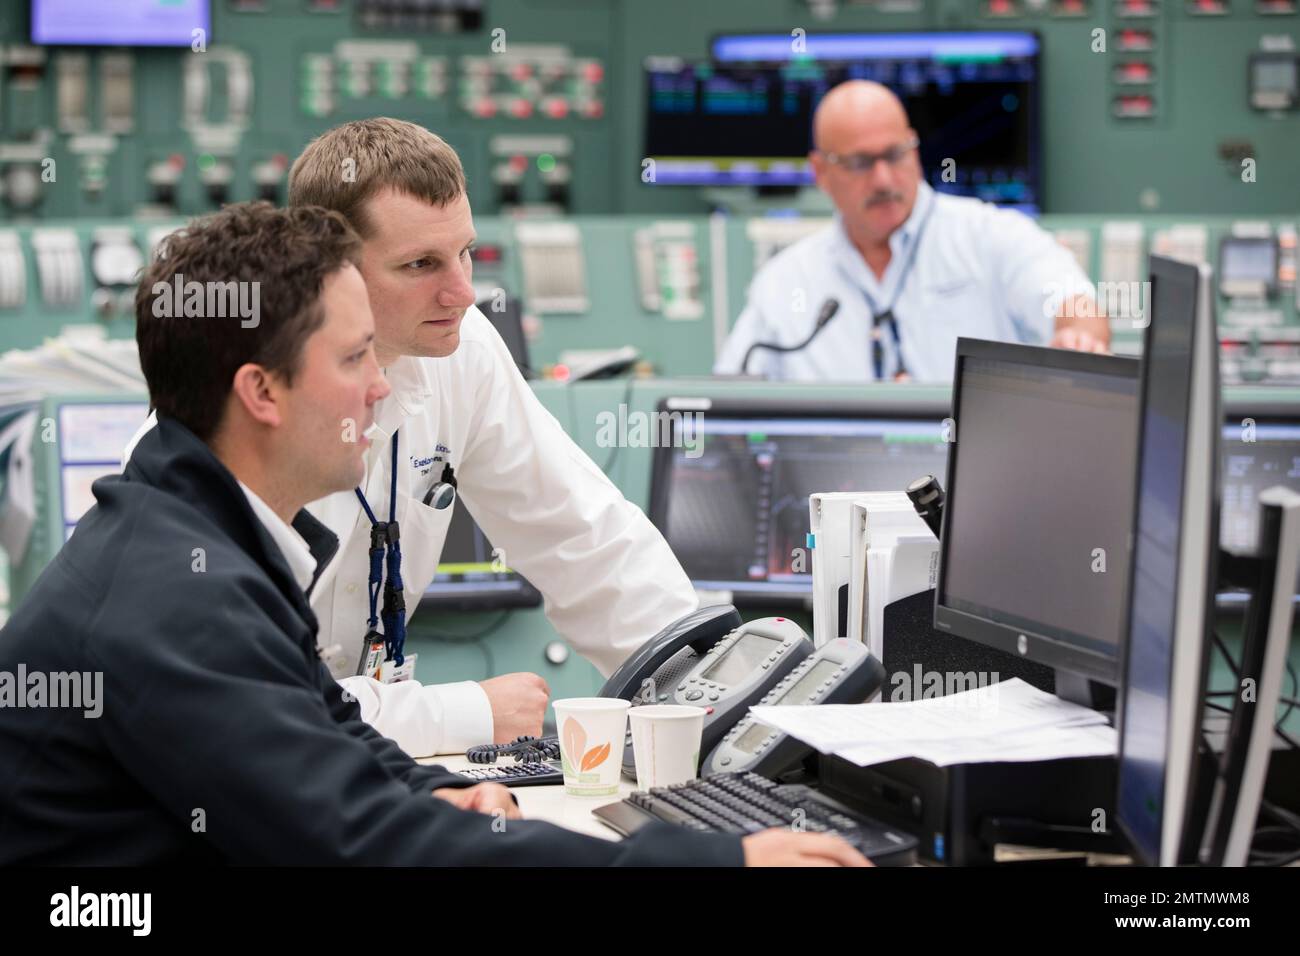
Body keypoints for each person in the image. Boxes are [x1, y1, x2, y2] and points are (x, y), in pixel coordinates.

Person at [0, 202, 869, 867]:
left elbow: (329, 729)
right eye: (354, 360)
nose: (383, 389)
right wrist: (706, 860)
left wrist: (444, 788)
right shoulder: (175, 596)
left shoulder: (202, 532)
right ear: (261, 393)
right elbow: (362, 840)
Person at [125, 118, 702, 757]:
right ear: (328, 270)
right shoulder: (245, 408)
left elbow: (584, 539)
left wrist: (705, 695)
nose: (462, 292)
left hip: (345, 760)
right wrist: (463, 712)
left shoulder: (462, 348)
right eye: (420, 264)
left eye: (466, 253)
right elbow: (246, 708)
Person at [714, 80, 1109, 382]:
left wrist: (1079, 336)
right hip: (835, 488)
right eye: (860, 163)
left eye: (894, 154)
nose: (883, 179)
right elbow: (729, 398)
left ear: (914, 149)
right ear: (821, 172)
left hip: (973, 484)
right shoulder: (786, 282)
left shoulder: (991, 237)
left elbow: (1073, 302)